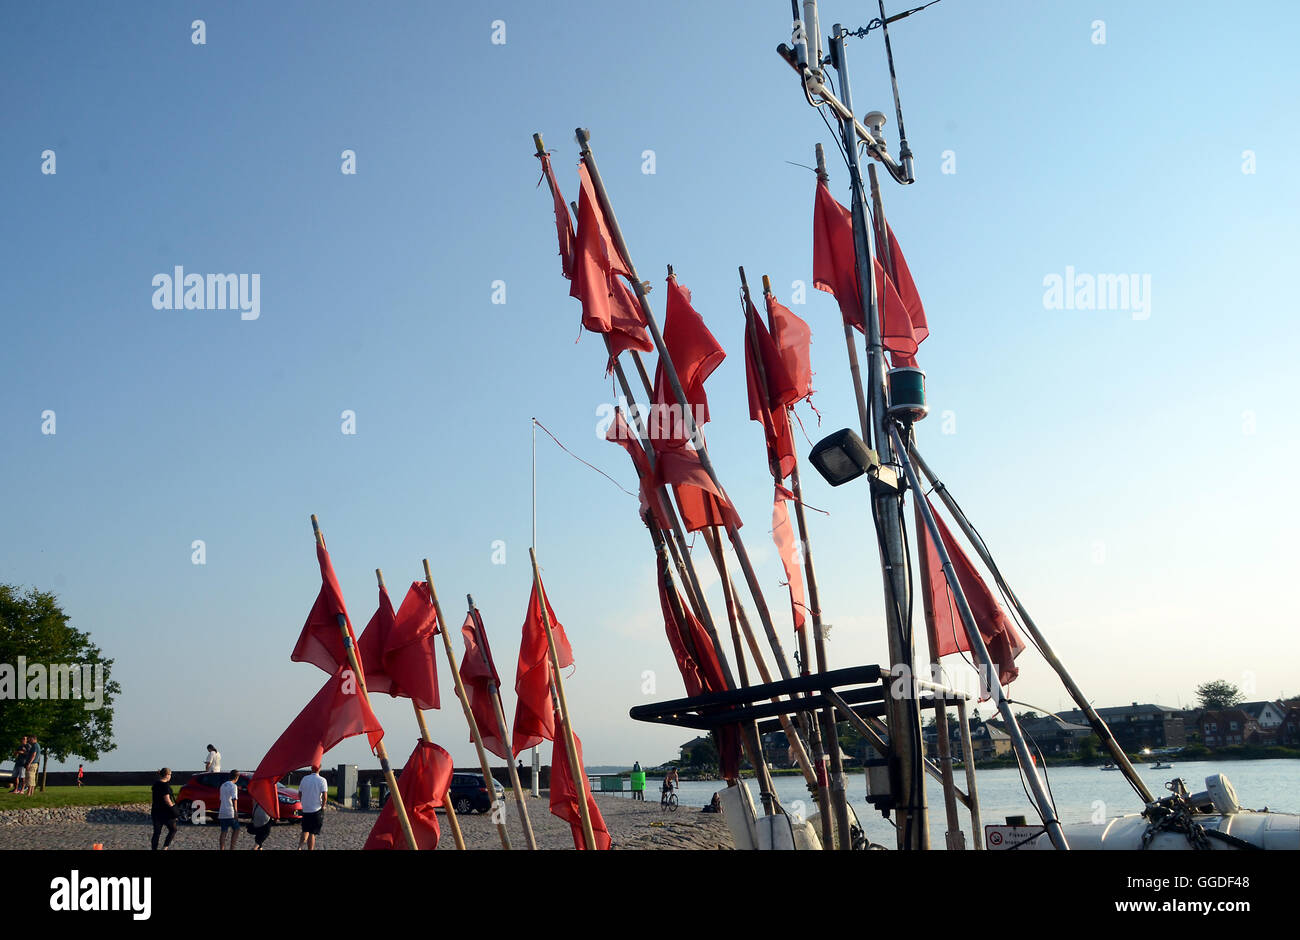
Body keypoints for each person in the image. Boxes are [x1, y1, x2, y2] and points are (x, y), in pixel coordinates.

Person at [297, 764, 328, 850]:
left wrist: (303, 802)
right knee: (312, 832)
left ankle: (299, 847)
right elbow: (325, 796)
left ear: (311, 769)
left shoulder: (304, 779)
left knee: (305, 830)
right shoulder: (322, 780)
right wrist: (323, 806)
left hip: (306, 809)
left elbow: (299, 794)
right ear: (320, 769)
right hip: (316, 809)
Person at [150, 768, 178, 850]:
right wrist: (173, 807)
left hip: (155, 811)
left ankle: (154, 848)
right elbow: (167, 799)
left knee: (157, 832)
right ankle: (165, 847)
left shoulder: (156, 784)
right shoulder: (165, 785)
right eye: (170, 774)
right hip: (165, 812)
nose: (170, 776)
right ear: (167, 775)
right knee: (173, 829)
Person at [217, 770, 240, 849]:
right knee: (236, 829)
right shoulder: (234, 786)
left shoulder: (222, 785)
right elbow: (234, 799)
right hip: (230, 812)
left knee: (223, 831)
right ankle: (232, 848)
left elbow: (221, 799)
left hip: (222, 811)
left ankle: (222, 848)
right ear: (237, 777)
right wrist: (236, 812)